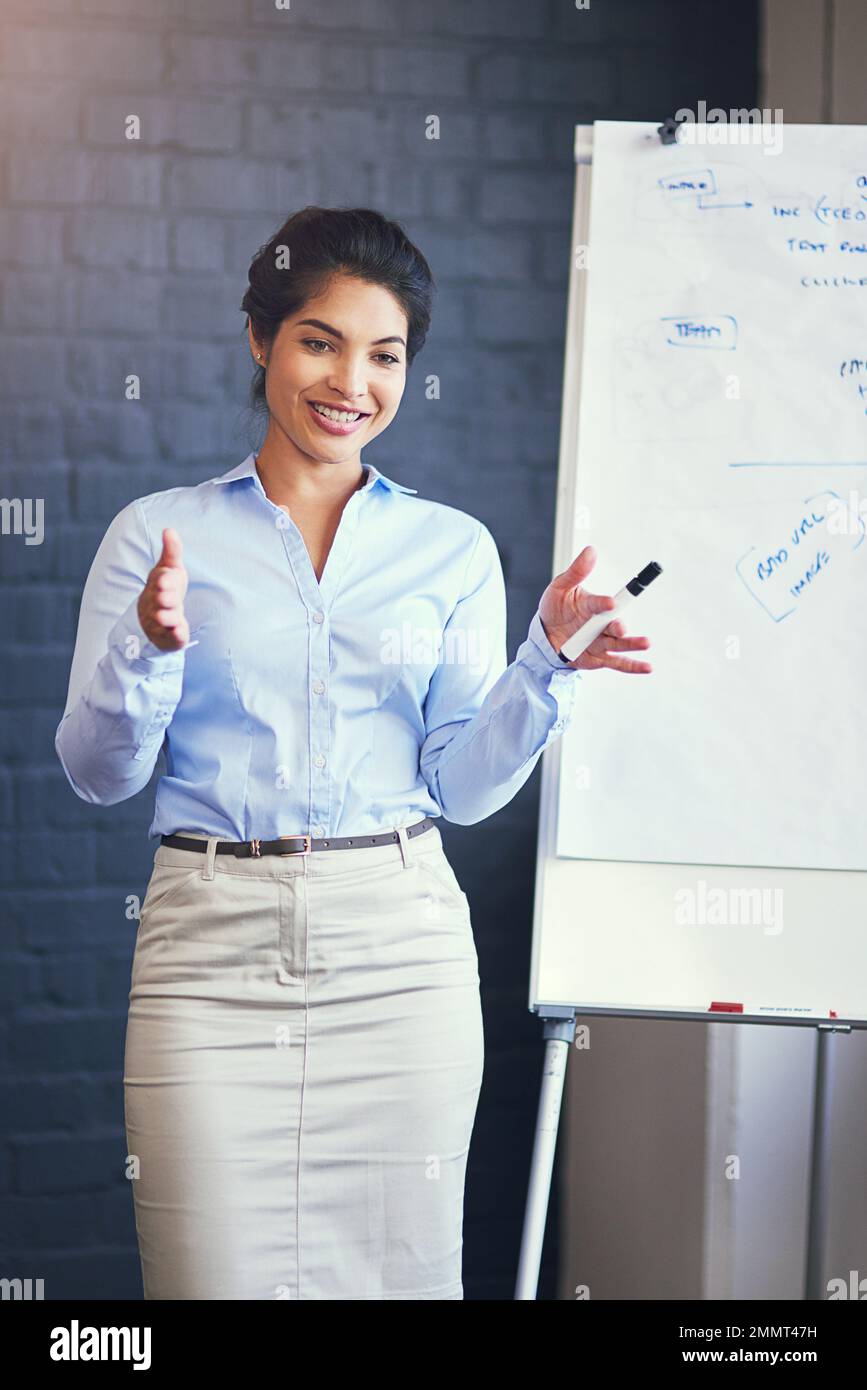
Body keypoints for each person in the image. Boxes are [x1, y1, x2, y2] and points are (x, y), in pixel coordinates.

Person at [54, 206, 651, 1301]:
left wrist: (543, 666)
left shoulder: (452, 549)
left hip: (399, 954)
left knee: (402, 1278)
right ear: (260, 339)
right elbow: (100, 772)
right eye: (320, 340)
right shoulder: (159, 534)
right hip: (208, 956)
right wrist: (148, 646)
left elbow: (461, 789)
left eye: (385, 355)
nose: (352, 382)